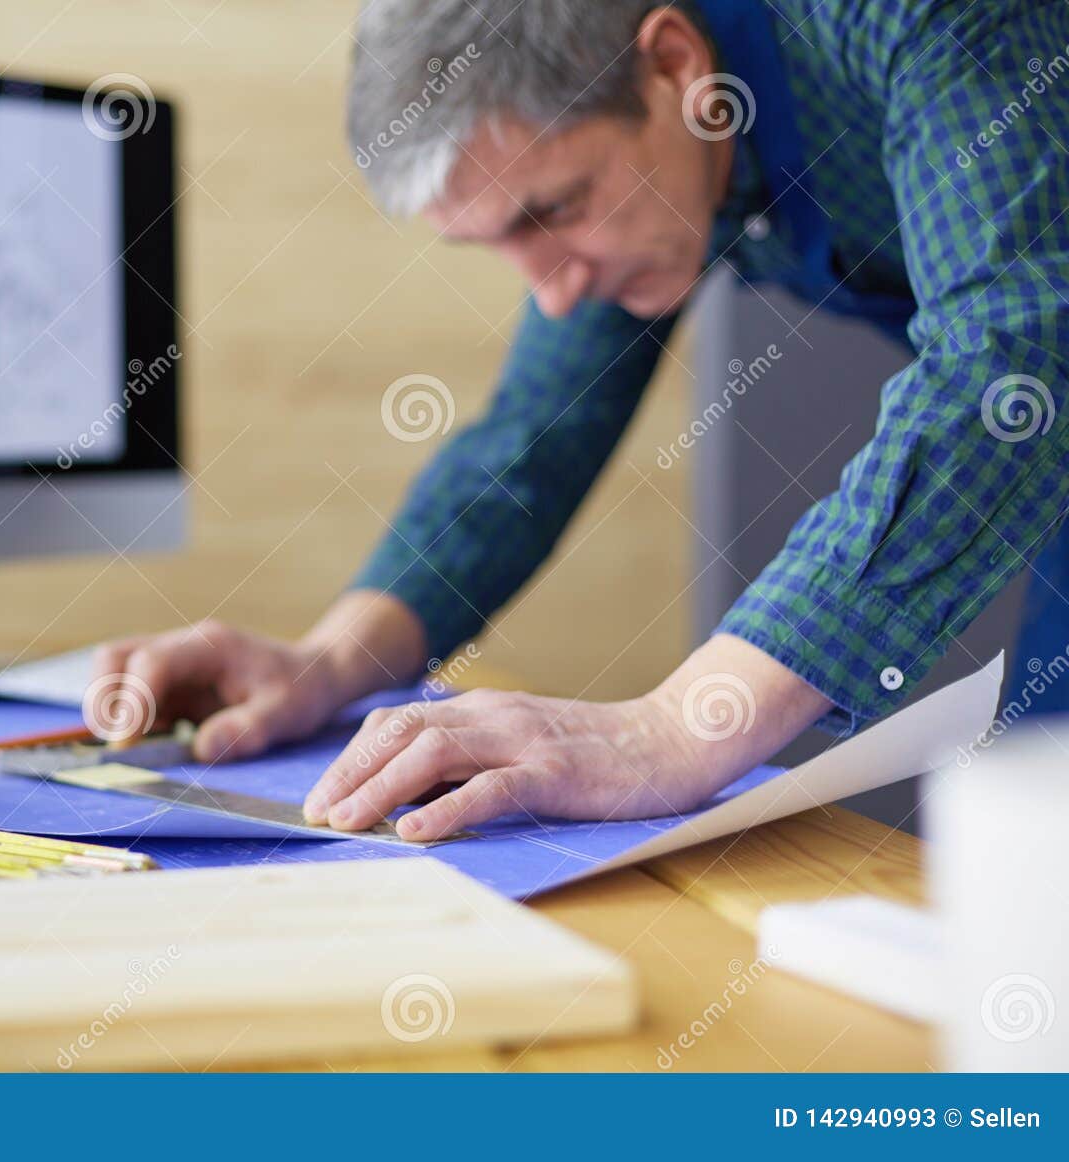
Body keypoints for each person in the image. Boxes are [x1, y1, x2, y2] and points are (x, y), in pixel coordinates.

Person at [91, 0, 1069, 841]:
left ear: (674, 65)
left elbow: (1013, 359)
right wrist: (330, 658)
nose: (552, 293)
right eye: (497, 244)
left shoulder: (921, 18)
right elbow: (532, 436)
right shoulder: (647, 146)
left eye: (551, 211)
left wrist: (677, 725)